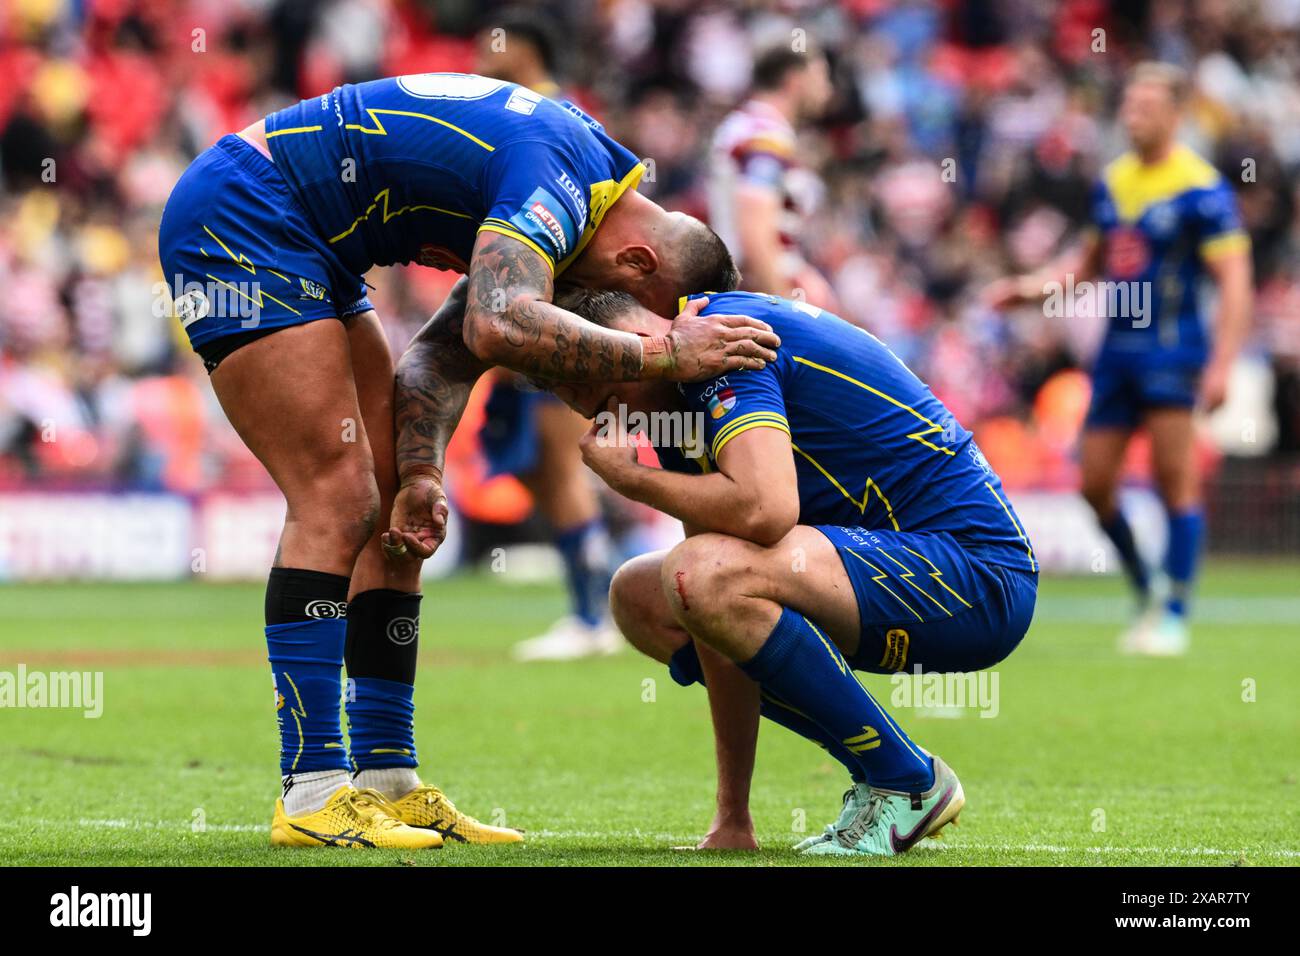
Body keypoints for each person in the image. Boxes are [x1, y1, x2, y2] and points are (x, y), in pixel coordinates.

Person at [158, 72, 778, 849]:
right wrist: (664, 353)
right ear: (639, 265)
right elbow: (495, 325)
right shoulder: (558, 188)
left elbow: (439, 360)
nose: (612, 383)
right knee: (338, 498)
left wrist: (420, 472)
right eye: (634, 323)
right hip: (243, 215)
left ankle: (387, 779)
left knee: (388, 506)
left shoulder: (577, 191)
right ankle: (312, 790)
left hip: (304, 235)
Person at [543, 287, 1037, 856]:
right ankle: (892, 775)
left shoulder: (725, 342)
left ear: (632, 343)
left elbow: (764, 509)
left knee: (703, 573)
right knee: (644, 596)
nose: (595, 413)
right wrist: (733, 816)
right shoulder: (668, 395)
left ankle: (905, 781)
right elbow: (709, 618)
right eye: (580, 402)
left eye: (599, 390)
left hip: (975, 575)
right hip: (883, 569)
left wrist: (632, 481)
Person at [985, 62, 1252, 656]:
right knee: (1095, 484)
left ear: (1176, 114)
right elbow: (1091, 264)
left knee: (1173, 480)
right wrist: (1033, 289)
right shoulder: (1113, 181)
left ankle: (1176, 613)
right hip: (1118, 348)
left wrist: (1222, 363)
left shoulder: (1200, 188)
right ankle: (1148, 587)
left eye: (1147, 107)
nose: (1134, 116)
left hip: (1172, 348)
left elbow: (1234, 280)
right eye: (1129, 105)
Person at [473, 10, 622, 661]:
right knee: (538, 467)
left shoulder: (554, 117)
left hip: (558, 319)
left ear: (525, 48)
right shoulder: (533, 114)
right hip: (528, 316)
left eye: (492, 42)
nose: (480, 54)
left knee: (562, 467)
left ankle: (594, 617)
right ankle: (597, 600)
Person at [708, 45, 838, 308]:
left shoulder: (750, 127)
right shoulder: (764, 136)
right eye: (821, 77)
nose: (828, 90)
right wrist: (786, 310)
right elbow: (755, 230)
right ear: (795, 79)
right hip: (758, 292)